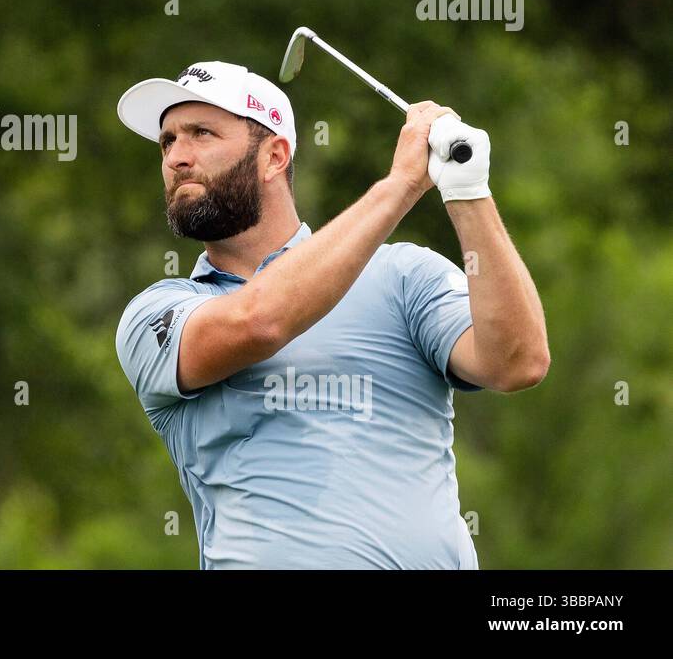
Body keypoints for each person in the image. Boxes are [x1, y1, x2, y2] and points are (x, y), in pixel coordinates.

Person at [114, 60, 550, 568]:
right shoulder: (159, 313)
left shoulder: (402, 274)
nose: (177, 158)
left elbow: (518, 362)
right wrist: (402, 185)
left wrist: (467, 189)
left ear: (274, 156)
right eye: (167, 142)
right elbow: (259, 323)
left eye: (201, 134)